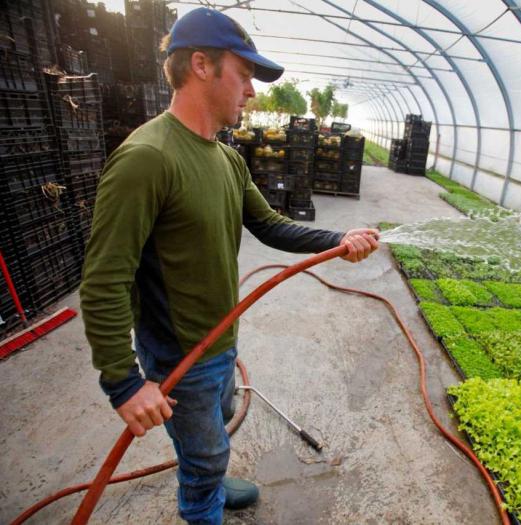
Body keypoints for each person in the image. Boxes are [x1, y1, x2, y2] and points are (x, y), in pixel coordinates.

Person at [79, 7, 379, 525]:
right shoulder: (147, 158)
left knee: (216, 420)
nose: (252, 91)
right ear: (201, 65)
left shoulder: (227, 158)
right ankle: (203, 501)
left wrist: (338, 239)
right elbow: (104, 279)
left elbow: (272, 226)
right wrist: (124, 384)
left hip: (220, 338)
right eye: (244, 75)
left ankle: (209, 477)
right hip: (178, 351)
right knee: (206, 454)